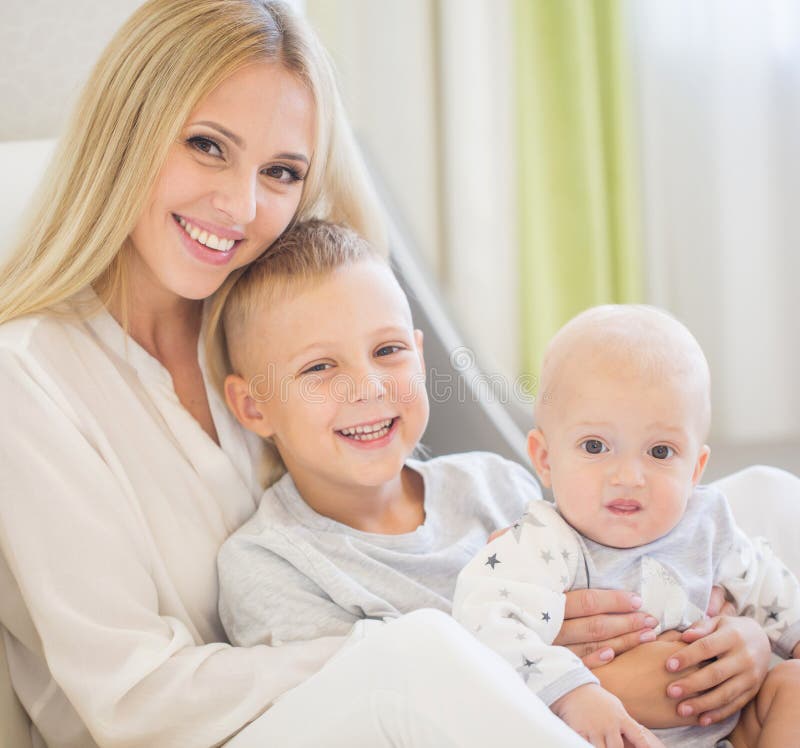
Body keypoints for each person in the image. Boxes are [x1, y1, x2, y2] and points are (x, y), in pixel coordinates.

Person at [0, 0, 773, 745]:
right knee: (421, 656)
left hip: (454, 678)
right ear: (126, 129)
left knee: (767, 497)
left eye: (281, 171)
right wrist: (504, 653)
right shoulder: (27, 379)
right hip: (234, 726)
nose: (240, 204)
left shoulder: (257, 320)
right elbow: (135, 701)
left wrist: (729, 628)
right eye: (206, 144)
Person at [453, 305, 800, 747]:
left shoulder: (709, 524)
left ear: (695, 468)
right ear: (545, 459)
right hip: (610, 733)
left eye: (659, 452)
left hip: (728, 731)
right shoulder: (544, 541)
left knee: (794, 685)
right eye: (595, 446)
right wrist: (575, 695)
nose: (628, 477)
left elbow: (778, 596)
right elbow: (483, 619)